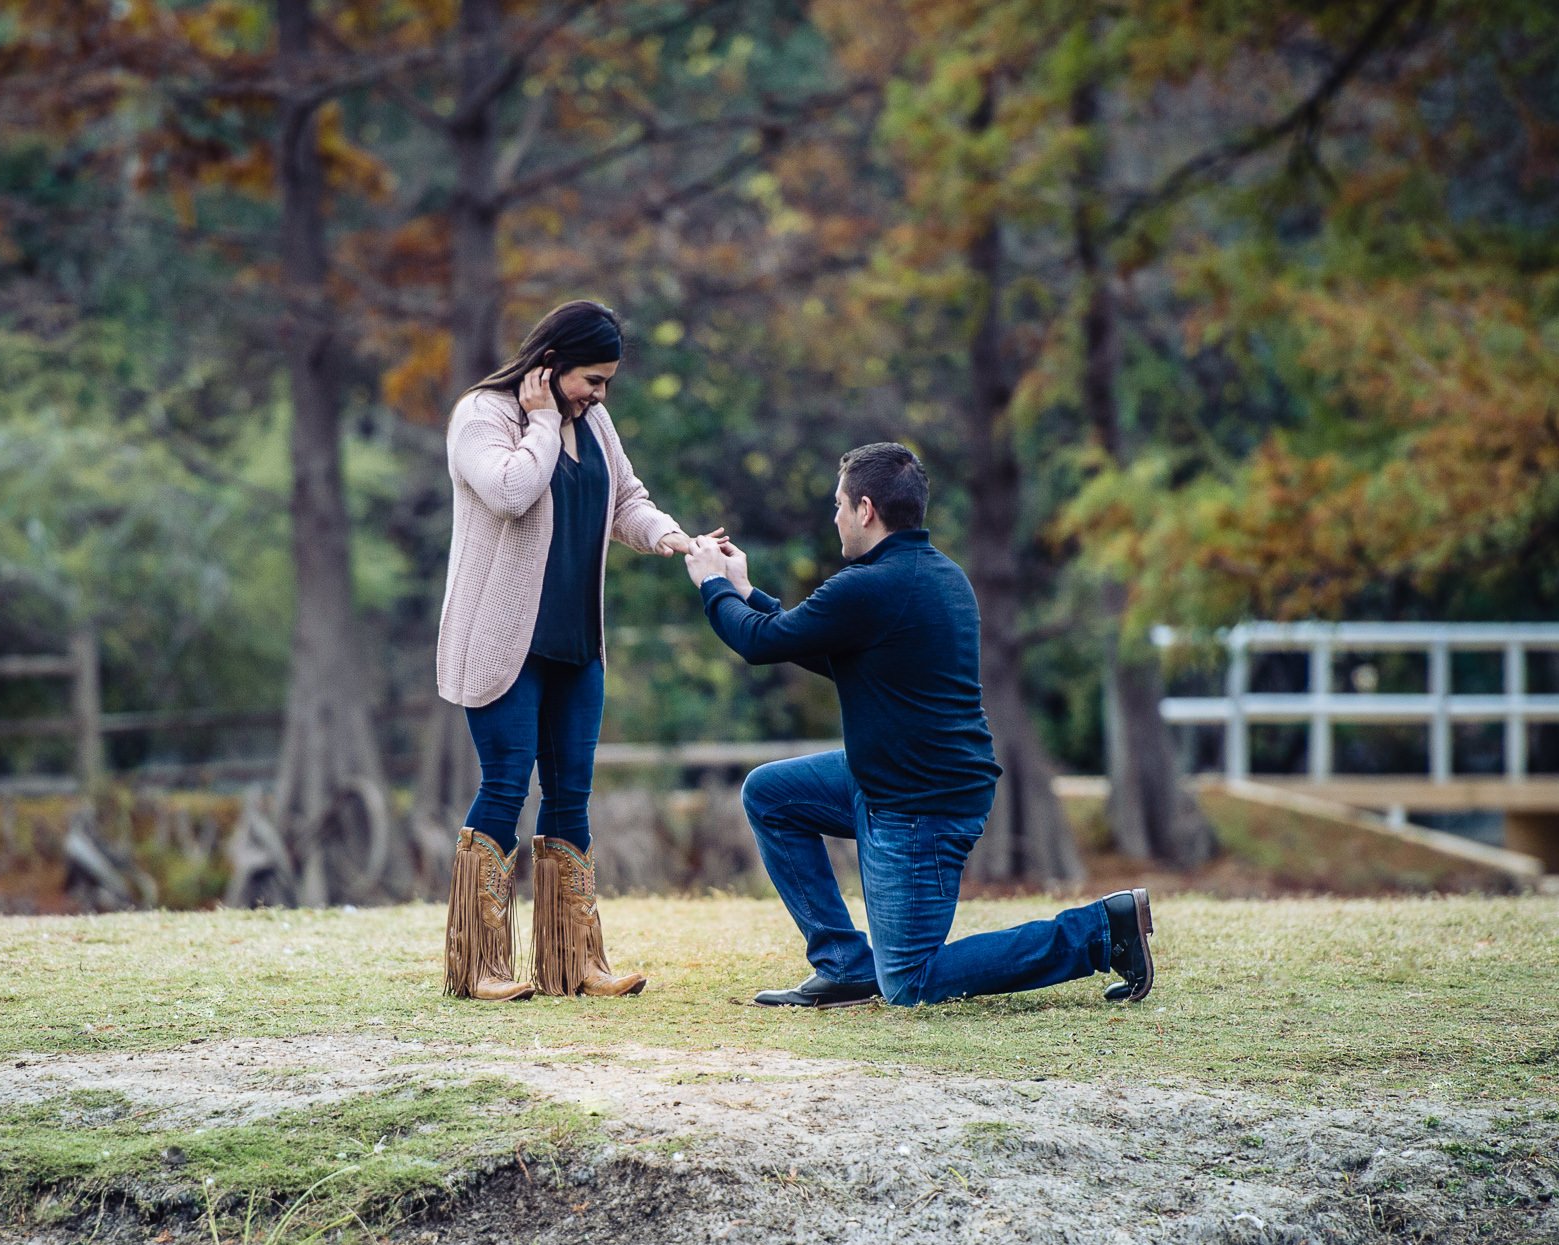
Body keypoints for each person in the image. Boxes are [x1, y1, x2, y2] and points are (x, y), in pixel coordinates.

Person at [684, 441, 1156, 1008]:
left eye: (838, 504)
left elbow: (761, 642)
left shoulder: (873, 585)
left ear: (864, 509)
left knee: (910, 981)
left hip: (919, 806)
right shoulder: (936, 576)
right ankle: (844, 965)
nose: (833, 516)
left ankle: (1102, 932)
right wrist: (742, 591)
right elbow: (816, 640)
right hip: (892, 780)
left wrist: (712, 585)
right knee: (771, 794)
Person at [435, 300, 708, 1000]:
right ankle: (479, 967)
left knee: (572, 794)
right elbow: (509, 492)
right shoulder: (483, 416)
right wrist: (546, 423)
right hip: (505, 641)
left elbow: (626, 502)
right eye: (592, 379)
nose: (600, 394)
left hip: (575, 641)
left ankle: (571, 963)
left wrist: (673, 537)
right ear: (551, 366)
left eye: (607, 383)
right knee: (505, 785)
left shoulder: (595, 422)